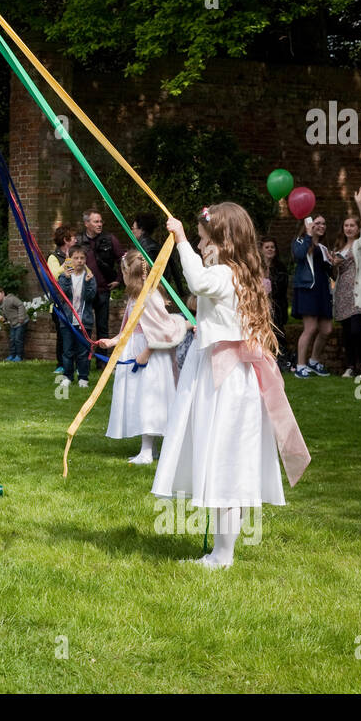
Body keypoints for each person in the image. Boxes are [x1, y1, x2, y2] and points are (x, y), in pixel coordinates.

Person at [153, 204, 310, 569]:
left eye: (204, 240)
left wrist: (178, 240)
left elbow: (198, 282)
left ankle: (223, 555)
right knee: (227, 461)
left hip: (223, 378)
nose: (200, 246)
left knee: (225, 461)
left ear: (223, 241)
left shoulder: (223, 274)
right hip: (230, 375)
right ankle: (222, 552)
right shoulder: (239, 273)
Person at [99, 251, 187, 464]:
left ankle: (147, 452)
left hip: (149, 353)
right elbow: (130, 327)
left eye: (124, 272)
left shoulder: (148, 296)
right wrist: (112, 341)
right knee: (138, 397)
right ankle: (149, 449)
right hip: (136, 347)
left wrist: (146, 353)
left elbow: (159, 330)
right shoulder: (135, 296)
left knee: (149, 398)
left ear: (129, 272)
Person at [331, 187, 361, 377]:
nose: (348, 228)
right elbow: (335, 273)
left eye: (352, 225)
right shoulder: (339, 247)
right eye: (346, 225)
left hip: (359, 292)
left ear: (357, 229)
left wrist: (359, 203)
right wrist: (334, 263)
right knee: (347, 333)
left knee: (357, 331)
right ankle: (350, 366)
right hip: (342, 292)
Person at [290, 212, 333, 378]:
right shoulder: (300, 241)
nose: (321, 226)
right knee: (311, 328)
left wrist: (333, 263)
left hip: (322, 291)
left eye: (323, 223)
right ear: (309, 225)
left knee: (327, 329)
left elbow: (328, 273)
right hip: (308, 289)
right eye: (317, 223)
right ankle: (300, 365)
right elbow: (299, 255)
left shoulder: (323, 248)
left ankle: (314, 361)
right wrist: (308, 234)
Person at [80, 209, 125, 344]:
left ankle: (102, 363)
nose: (99, 224)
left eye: (101, 221)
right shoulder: (78, 240)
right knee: (82, 326)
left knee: (102, 328)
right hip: (84, 290)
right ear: (87, 223)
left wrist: (118, 279)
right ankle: (84, 361)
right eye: (96, 222)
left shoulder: (110, 239)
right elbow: (69, 260)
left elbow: (123, 259)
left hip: (102, 290)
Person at [58, 245, 98, 388]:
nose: (79, 261)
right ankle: (68, 376)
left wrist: (87, 283)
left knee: (83, 351)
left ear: (85, 260)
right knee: (67, 351)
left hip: (84, 320)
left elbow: (91, 296)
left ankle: (83, 377)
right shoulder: (63, 276)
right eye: (76, 258)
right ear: (70, 259)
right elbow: (61, 295)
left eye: (82, 258)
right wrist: (68, 279)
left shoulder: (90, 277)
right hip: (67, 320)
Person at [47, 225, 77, 374]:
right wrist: (64, 265)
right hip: (59, 303)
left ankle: (76, 364)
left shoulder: (75, 255)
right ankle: (61, 364)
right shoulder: (53, 257)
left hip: (74, 301)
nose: (76, 240)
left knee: (75, 333)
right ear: (66, 240)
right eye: (73, 237)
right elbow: (53, 276)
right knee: (62, 334)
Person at [260, 236, 290, 368]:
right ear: (261, 250)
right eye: (267, 247)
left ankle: (281, 361)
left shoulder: (280, 267)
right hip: (260, 307)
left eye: (272, 247)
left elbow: (281, 287)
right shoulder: (257, 266)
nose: (270, 249)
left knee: (277, 334)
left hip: (277, 307)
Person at [0, 286, 29, 361]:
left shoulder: (10, 299)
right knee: (12, 339)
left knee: (18, 339)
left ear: (3, 293)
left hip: (21, 322)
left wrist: (21, 318)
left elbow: (20, 305)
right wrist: (4, 319)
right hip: (13, 324)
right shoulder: (0, 306)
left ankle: (19, 356)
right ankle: (12, 355)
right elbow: (7, 314)